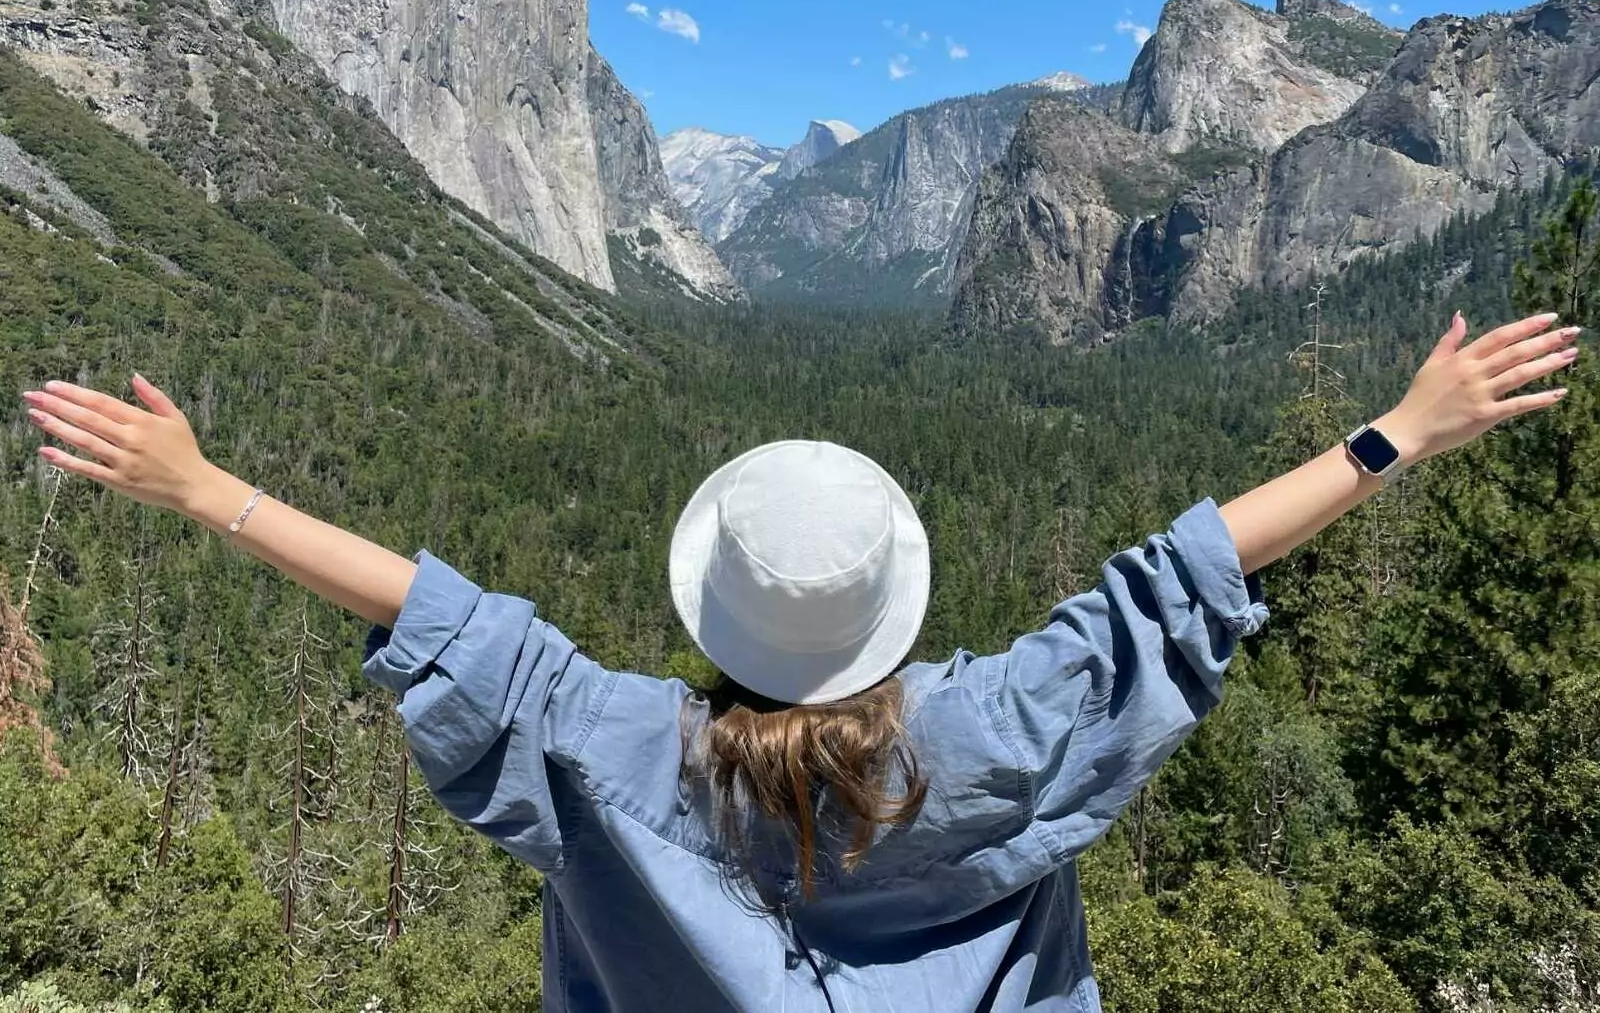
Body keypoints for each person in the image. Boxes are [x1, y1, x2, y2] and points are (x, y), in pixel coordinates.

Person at [22, 310, 1578, 1012]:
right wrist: (1402, 430)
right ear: (890, 608)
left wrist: (205, 487)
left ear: (719, 615)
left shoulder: (614, 751)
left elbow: (452, 618)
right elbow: (1179, 577)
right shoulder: (989, 733)